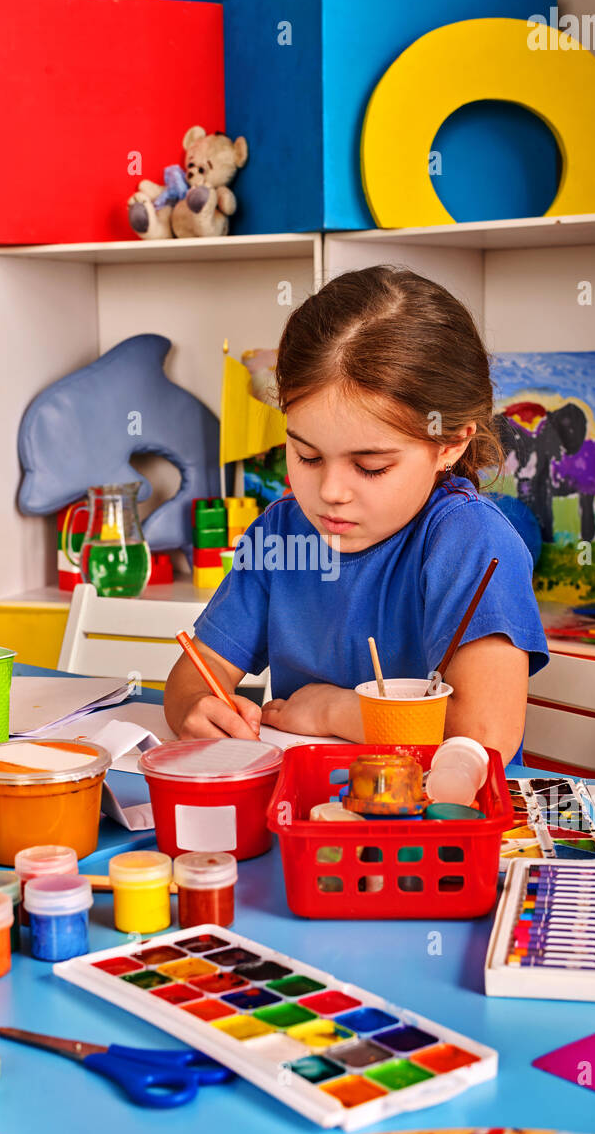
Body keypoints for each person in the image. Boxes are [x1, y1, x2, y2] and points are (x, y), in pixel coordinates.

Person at [164, 265, 548, 764]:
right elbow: (195, 673)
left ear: (451, 443)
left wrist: (335, 712)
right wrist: (194, 706)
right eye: (306, 456)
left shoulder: (471, 542)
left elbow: (484, 736)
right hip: (311, 821)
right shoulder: (282, 533)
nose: (330, 492)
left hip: (444, 826)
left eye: (370, 466)